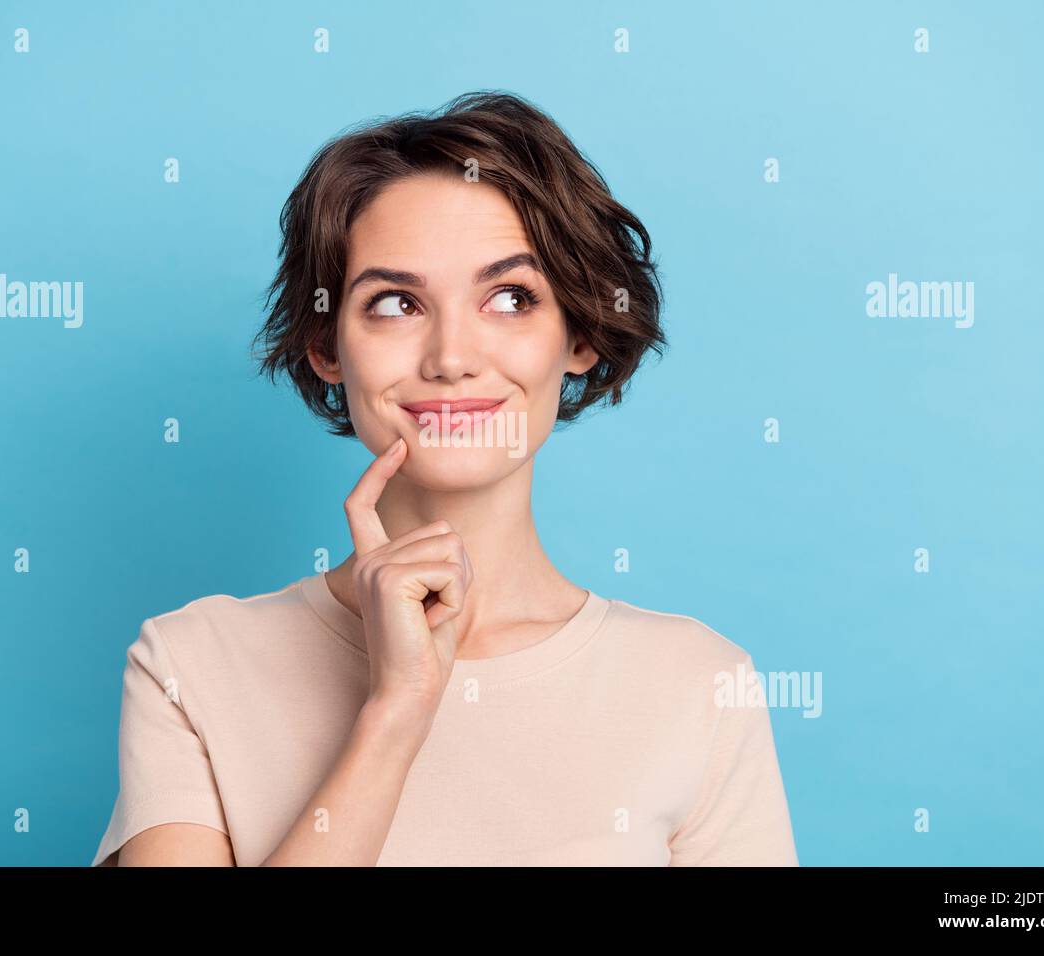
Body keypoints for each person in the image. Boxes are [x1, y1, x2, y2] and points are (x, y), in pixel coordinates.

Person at [91, 91, 799, 866]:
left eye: (509, 298)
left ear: (581, 334)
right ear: (328, 347)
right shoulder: (191, 665)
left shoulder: (698, 685)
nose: (452, 356)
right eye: (396, 303)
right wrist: (397, 713)